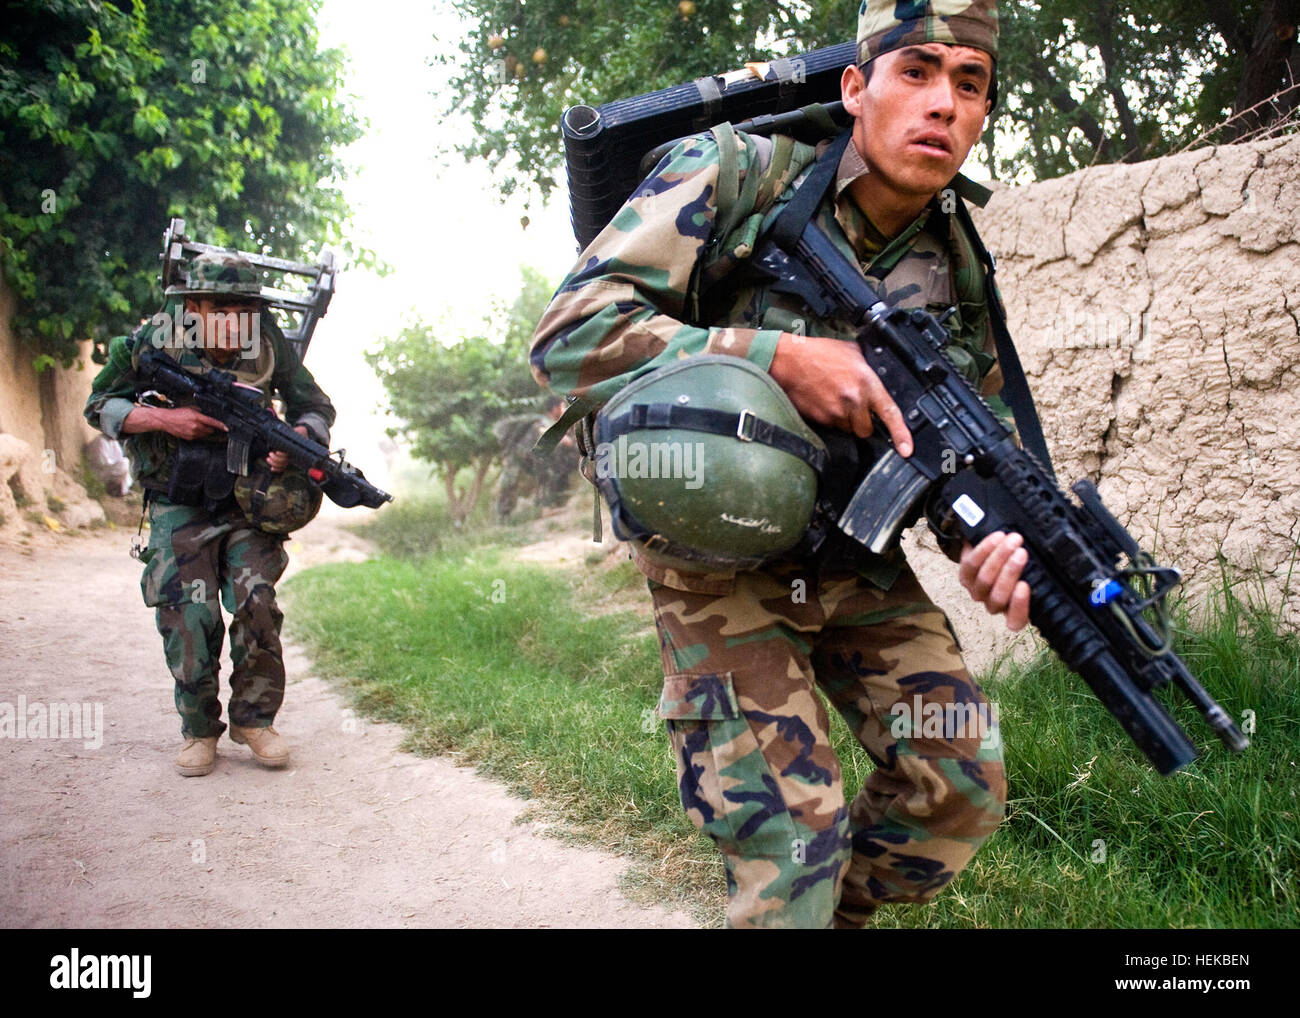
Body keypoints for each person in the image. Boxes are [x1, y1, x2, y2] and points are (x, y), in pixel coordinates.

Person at [531, 0, 1034, 928]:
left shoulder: (957, 261)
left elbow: (978, 454)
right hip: (717, 560)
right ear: (855, 87)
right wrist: (775, 360)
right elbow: (567, 336)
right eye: (915, 72)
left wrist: (996, 540)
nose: (943, 104)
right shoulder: (734, 173)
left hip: (853, 555)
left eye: (970, 84)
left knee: (959, 782)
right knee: (793, 841)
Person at [85, 251, 336, 777]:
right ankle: (199, 731)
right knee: (190, 617)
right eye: (221, 306)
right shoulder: (153, 340)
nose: (235, 318)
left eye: (245, 307)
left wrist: (301, 438)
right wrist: (163, 418)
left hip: (249, 499)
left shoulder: (266, 344)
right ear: (192, 304)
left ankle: (255, 720)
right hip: (180, 502)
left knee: (257, 603)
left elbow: (314, 405)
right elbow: (100, 404)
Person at [492, 396, 578, 521]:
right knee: (510, 486)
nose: (565, 410)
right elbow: (544, 433)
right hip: (521, 458)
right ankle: (506, 517)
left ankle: (506, 518)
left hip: (525, 459)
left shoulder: (549, 422)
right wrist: (566, 441)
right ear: (555, 409)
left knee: (512, 486)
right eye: (563, 407)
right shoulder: (544, 422)